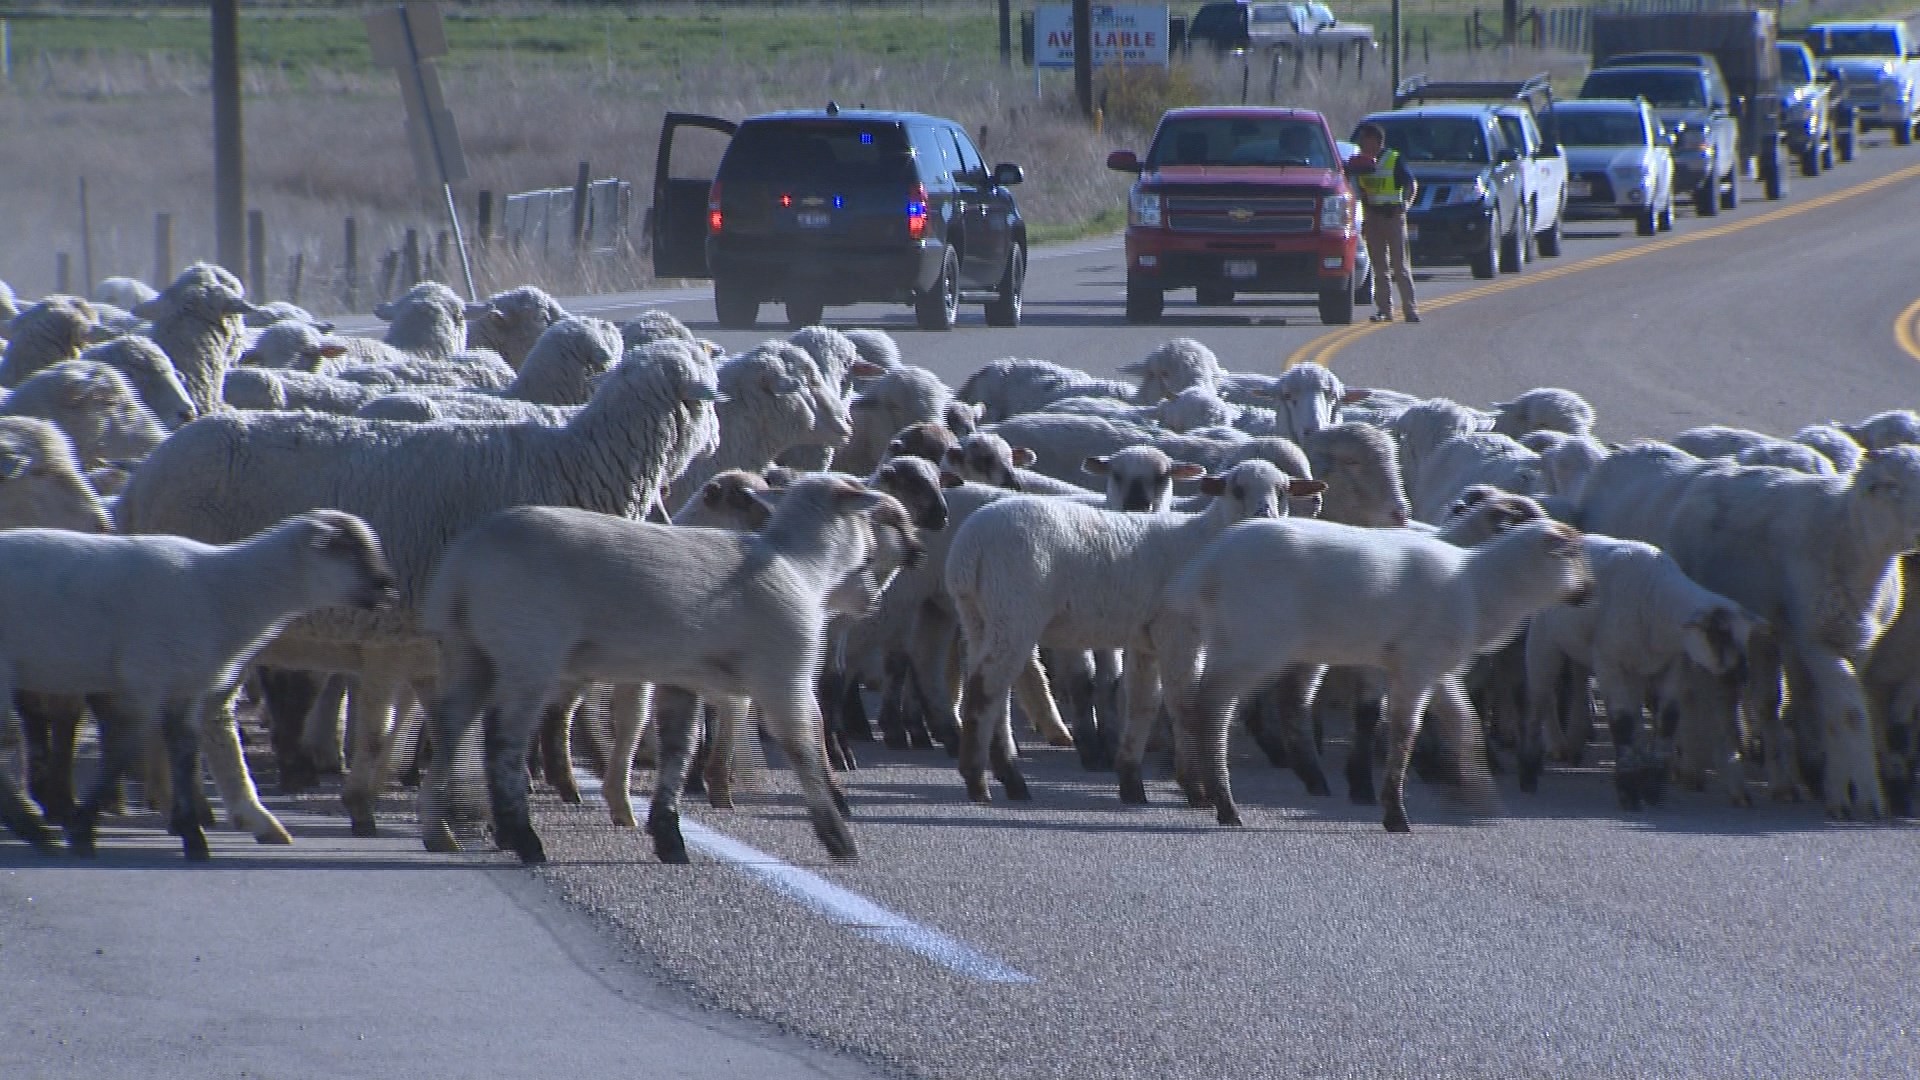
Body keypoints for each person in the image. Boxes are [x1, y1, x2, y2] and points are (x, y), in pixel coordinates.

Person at [1345, 122, 1420, 323]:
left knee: (1400, 266)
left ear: (1375, 140)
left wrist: (1406, 203)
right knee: (1379, 266)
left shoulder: (1393, 159)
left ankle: (1410, 309)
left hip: (1393, 217)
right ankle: (1384, 309)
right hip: (1372, 218)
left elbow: (1411, 184)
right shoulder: (1360, 163)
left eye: (1364, 138)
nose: (1360, 143)